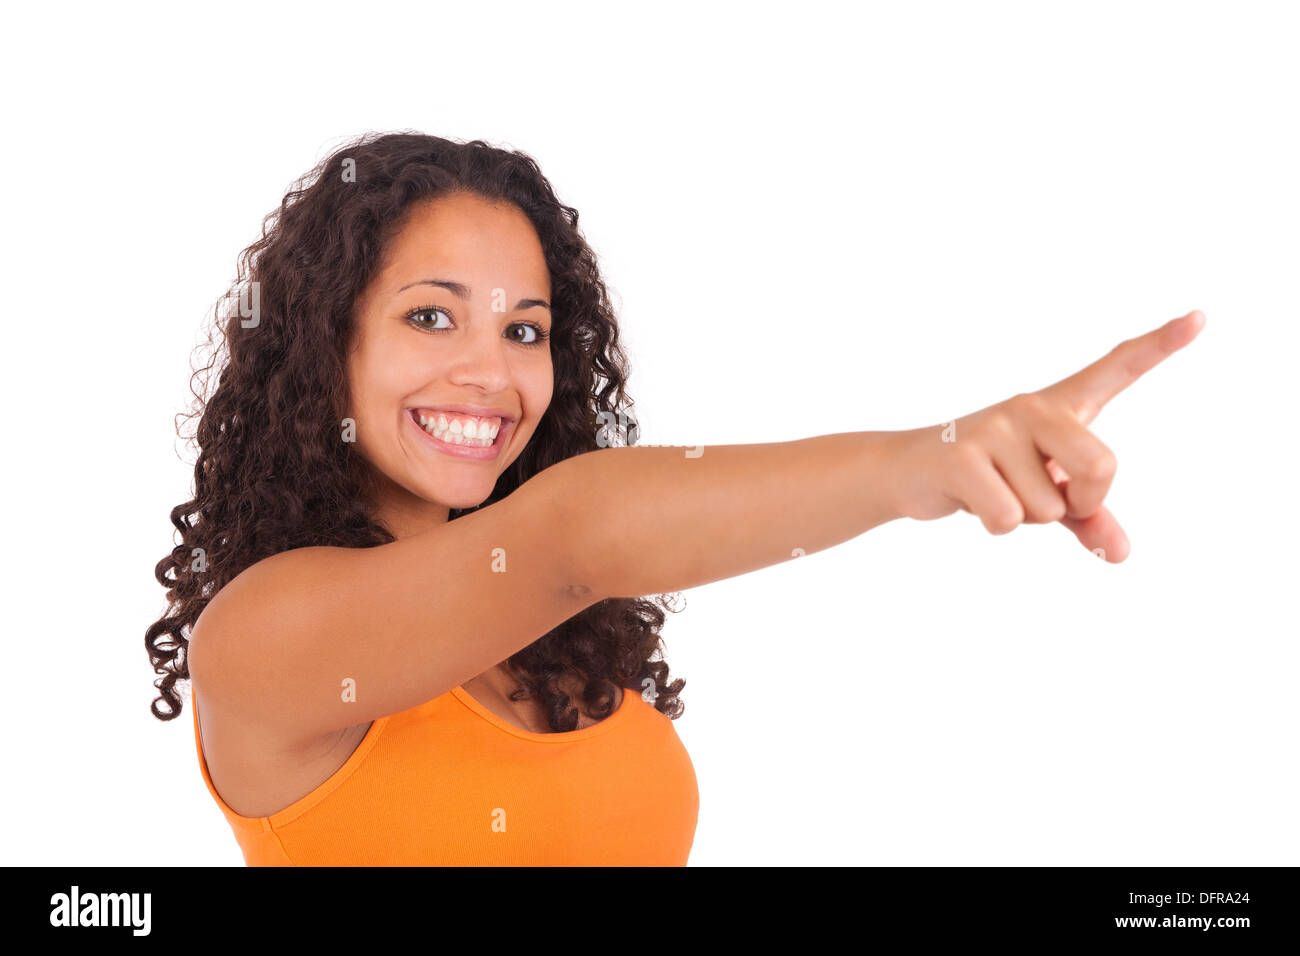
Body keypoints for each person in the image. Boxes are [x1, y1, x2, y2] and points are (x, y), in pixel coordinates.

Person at [145, 131, 1205, 866]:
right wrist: (921, 463)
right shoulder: (265, 636)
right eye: (432, 317)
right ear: (327, 345)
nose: (490, 372)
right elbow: (572, 531)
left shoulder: (553, 646)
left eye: (525, 330)